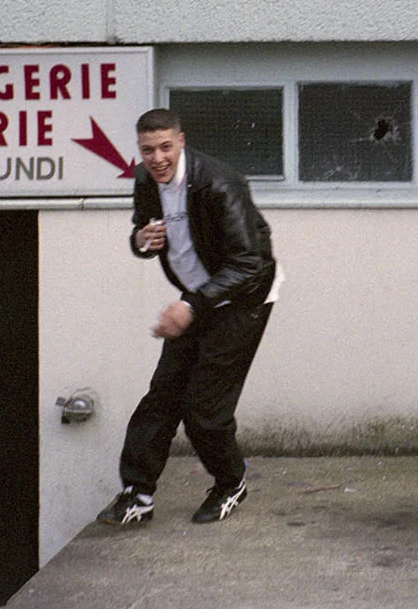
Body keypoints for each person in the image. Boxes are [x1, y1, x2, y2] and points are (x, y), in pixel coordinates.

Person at [97, 108, 279, 528]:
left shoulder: (220, 183)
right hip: (196, 297)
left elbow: (252, 261)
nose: (157, 158)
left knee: (204, 407)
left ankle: (231, 483)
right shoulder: (146, 181)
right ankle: (137, 494)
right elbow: (141, 233)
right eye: (147, 150)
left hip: (243, 299)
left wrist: (191, 305)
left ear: (181, 141)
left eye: (165, 147)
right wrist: (141, 240)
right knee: (162, 394)